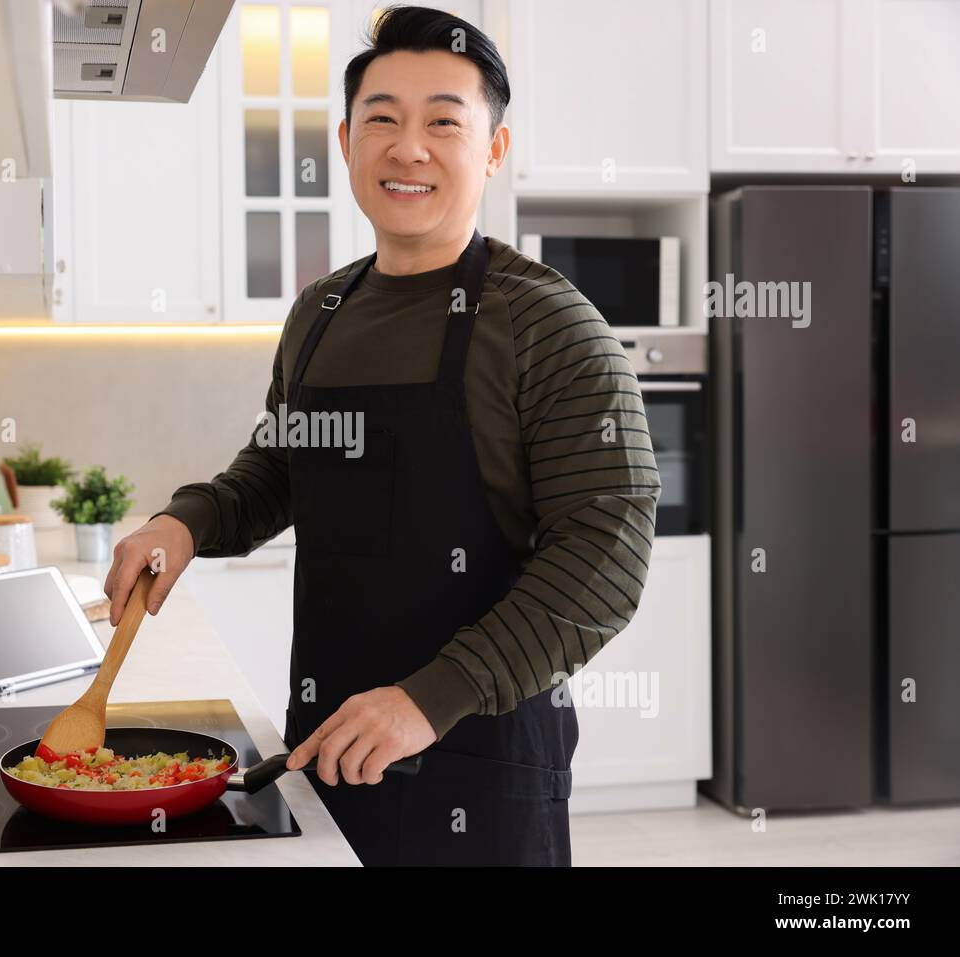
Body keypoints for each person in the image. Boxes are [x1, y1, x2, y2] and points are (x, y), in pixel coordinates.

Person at [104, 4, 661, 866]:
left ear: (493, 150)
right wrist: (187, 522)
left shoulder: (546, 320)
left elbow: (609, 552)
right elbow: (280, 469)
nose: (410, 147)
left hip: (479, 758)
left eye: (444, 121)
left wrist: (427, 701)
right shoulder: (321, 311)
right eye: (383, 120)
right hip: (326, 745)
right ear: (347, 141)